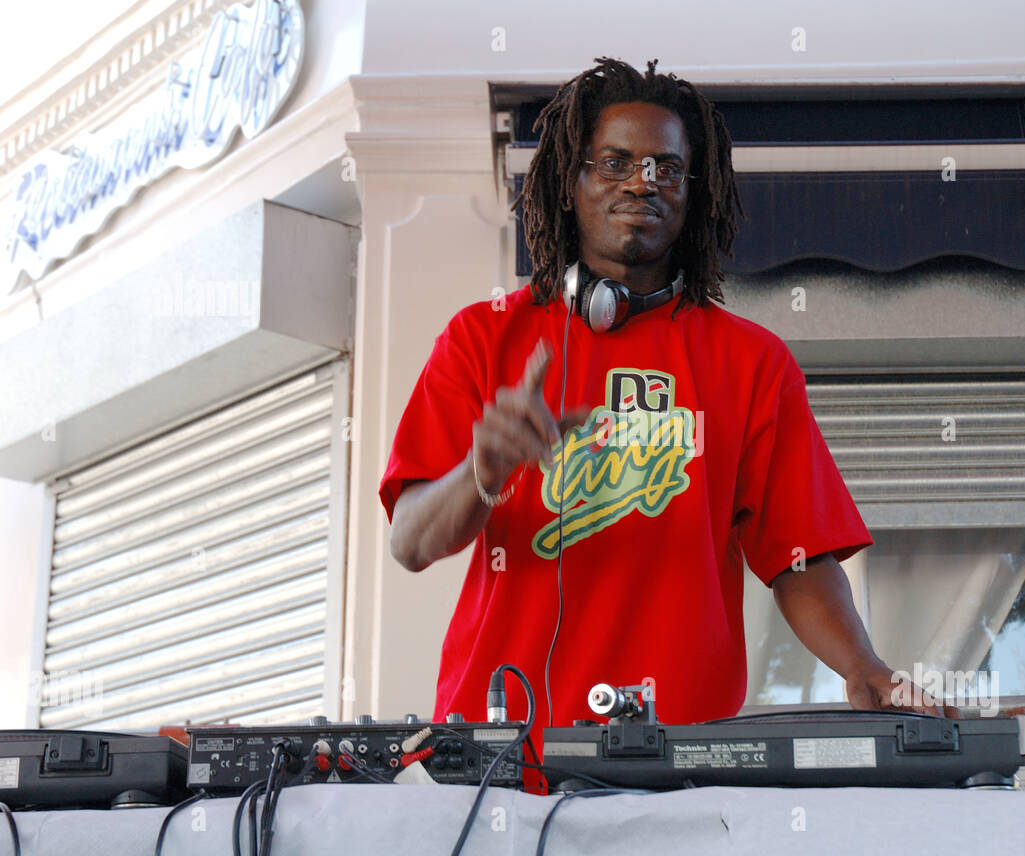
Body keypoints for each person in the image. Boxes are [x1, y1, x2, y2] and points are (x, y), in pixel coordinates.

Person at [380, 57, 941, 735]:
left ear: (691, 192)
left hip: (683, 754)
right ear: (571, 181)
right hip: (500, 748)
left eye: (665, 168)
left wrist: (863, 666)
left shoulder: (751, 362)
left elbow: (799, 559)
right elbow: (410, 542)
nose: (641, 184)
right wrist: (480, 474)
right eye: (615, 161)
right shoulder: (482, 337)